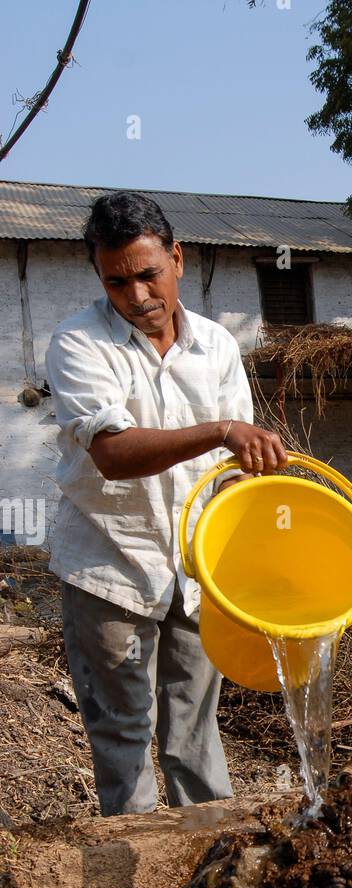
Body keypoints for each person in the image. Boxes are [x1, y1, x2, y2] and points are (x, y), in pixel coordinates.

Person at [45, 190, 286, 816]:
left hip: (193, 568)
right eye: (117, 281)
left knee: (194, 733)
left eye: (149, 274)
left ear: (177, 258)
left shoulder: (217, 347)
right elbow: (115, 453)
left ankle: (214, 867)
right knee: (123, 733)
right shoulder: (79, 344)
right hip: (110, 569)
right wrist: (218, 430)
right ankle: (136, 887)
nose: (137, 296)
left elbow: (233, 471)